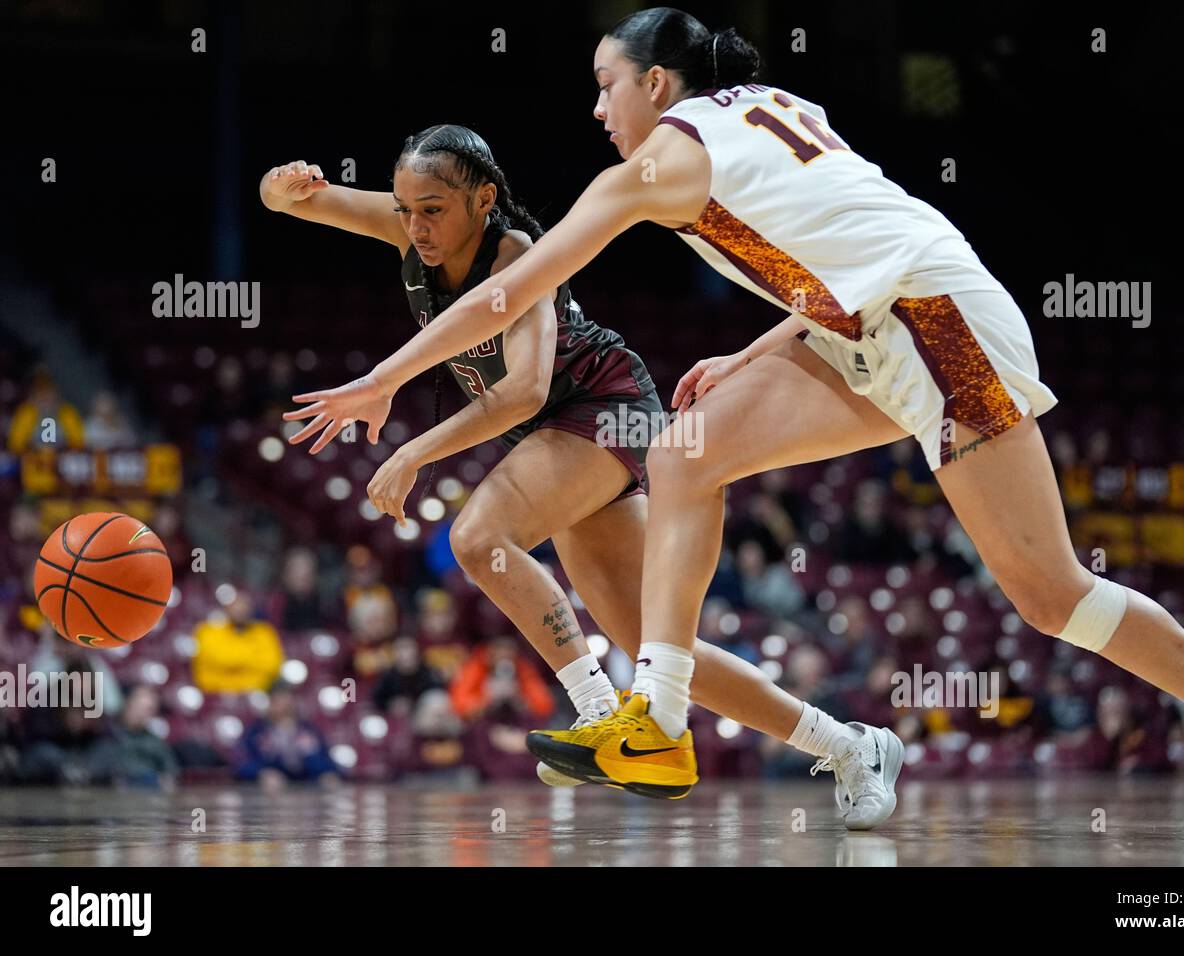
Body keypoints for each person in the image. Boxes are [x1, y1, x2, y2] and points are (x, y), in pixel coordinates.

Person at [281, 8, 1184, 838]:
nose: (595, 105)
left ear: (657, 83)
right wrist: (757, 348)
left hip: (935, 323)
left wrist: (381, 381)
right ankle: (659, 722)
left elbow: (506, 298)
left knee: (1048, 594)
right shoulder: (767, 104)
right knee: (685, 450)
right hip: (864, 315)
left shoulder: (657, 165)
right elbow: (851, 233)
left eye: (607, 82)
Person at [269, 123, 895, 825]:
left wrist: (415, 450)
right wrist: (285, 184)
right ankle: (849, 745)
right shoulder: (410, 228)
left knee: (480, 537)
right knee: (654, 645)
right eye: (406, 207)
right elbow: (294, 204)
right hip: (555, 434)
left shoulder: (518, 256)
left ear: (484, 199)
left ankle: (601, 715)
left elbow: (523, 394)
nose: (415, 224)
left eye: (433, 209)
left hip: (604, 407)